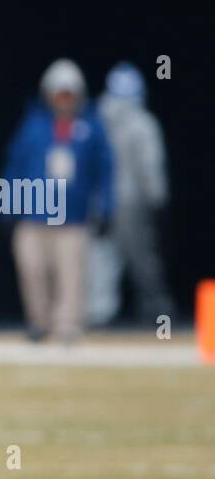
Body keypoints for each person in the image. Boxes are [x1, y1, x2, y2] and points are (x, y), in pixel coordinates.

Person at [5, 59, 113, 343]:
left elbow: (105, 170)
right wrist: (8, 204)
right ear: (48, 94)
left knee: (71, 273)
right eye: (59, 93)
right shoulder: (33, 125)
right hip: (34, 213)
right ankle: (38, 322)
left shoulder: (91, 126)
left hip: (73, 217)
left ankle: (67, 326)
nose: (64, 99)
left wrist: (105, 207)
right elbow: (16, 166)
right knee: (33, 270)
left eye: (69, 94)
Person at [92, 62, 173, 325]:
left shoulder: (97, 120)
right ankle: (157, 309)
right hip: (131, 202)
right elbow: (150, 164)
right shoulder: (142, 124)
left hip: (102, 200)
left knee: (104, 258)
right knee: (142, 258)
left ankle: (99, 312)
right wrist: (157, 197)